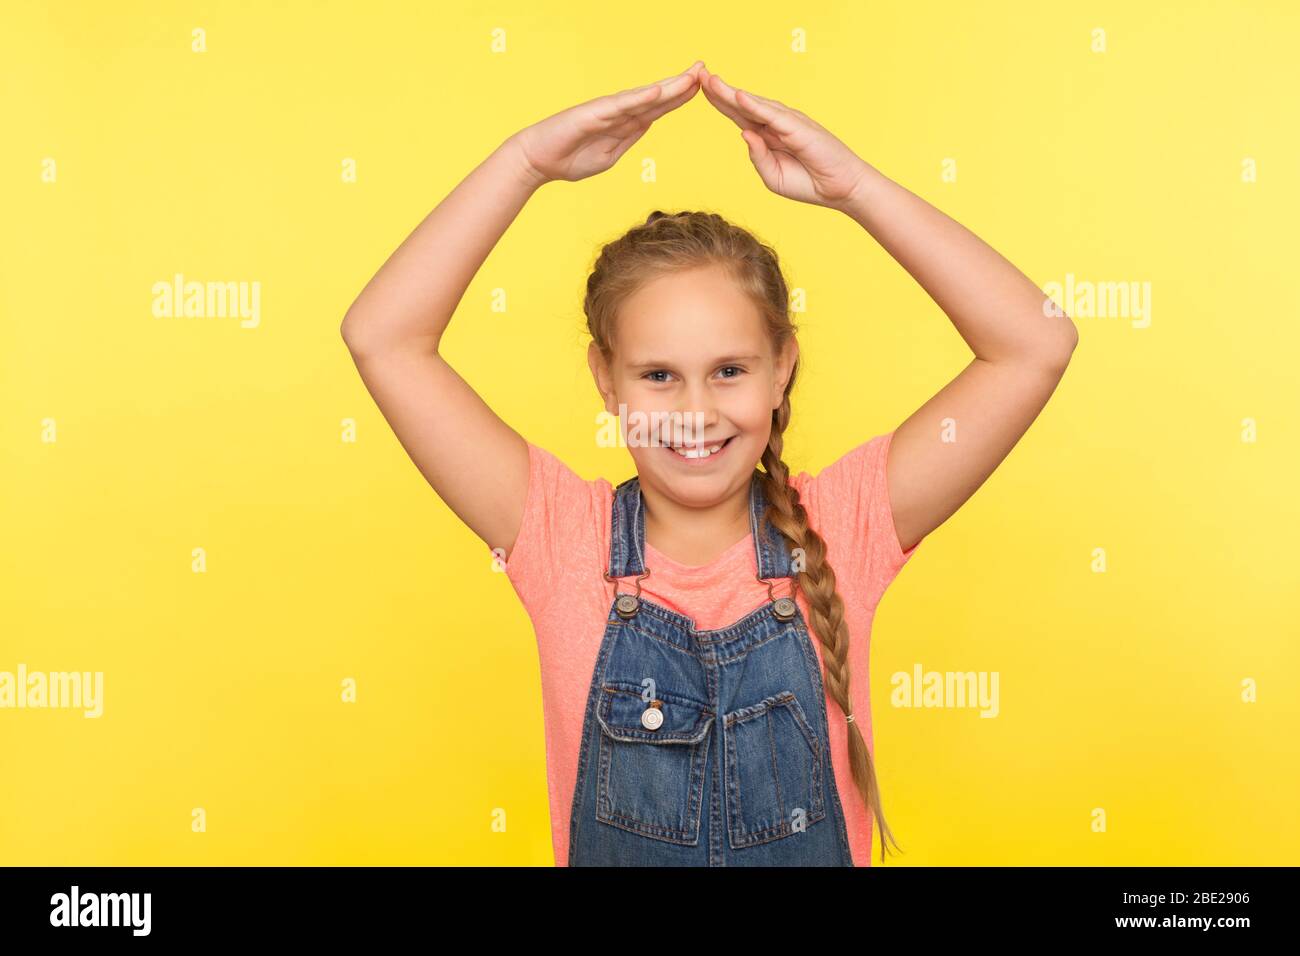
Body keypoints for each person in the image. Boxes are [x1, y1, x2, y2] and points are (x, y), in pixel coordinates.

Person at [341, 61, 1078, 866]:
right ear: (604, 377)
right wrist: (525, 163)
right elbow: (383, 337)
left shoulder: (846, 527)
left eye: (729, 370)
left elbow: (1033, 344)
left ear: (781, 369)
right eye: (659, 376)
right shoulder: (561, 538)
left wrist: (855, 187)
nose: (695, 410)